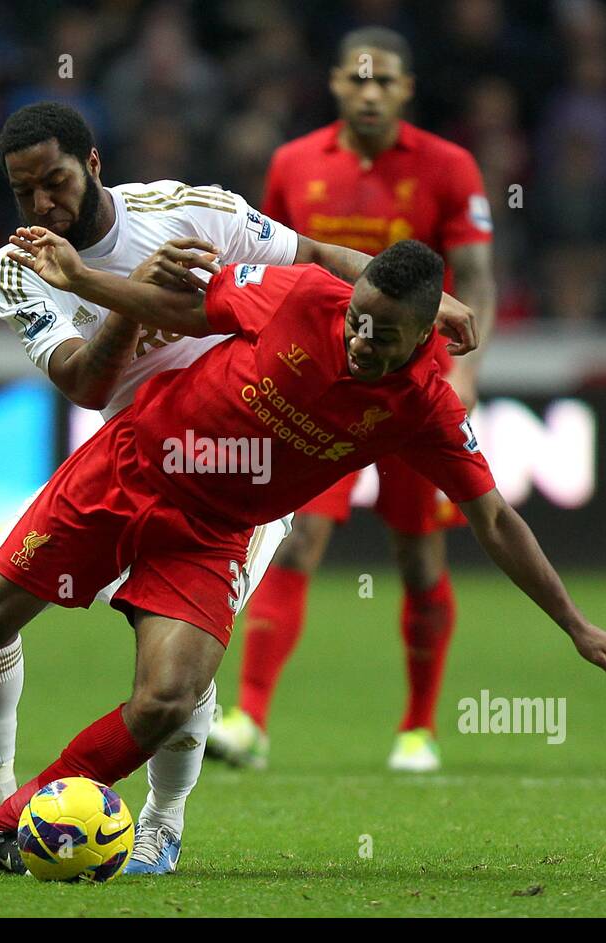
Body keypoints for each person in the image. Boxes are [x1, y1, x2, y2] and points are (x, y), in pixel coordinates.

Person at [0, 223, 606, 875]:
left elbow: (495, 520)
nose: (360, 340)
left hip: (213, 532)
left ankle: (6, 826)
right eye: (358, 319)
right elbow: (179, 307)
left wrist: (573, 621)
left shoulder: (424, 406)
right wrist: (82, 282)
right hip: (133, 464)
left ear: (426, 338)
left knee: (168, 698)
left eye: (384, 336)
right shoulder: (305, 294)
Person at [0, 101, 480, 875]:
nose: (44, 204)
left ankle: (160, 822)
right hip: (134, 452)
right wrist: (116, 290)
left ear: (93, 164)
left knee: (175, 679)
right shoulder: (14, 264)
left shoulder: (193, 210)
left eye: (55, 181)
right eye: (25, 193)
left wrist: (431, 300)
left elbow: (315, 253)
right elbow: (85, 382)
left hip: (245, 472)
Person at [209, 26, 499, 773]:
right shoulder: (292, 163)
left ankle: (418, 727)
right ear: (335, 83)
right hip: (322, 381)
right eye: (356, 80)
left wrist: (466, 373)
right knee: (298, 537)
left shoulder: (449, 166)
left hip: (412, 389)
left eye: (385, 81)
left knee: (417, 553)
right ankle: (249, 719)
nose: (369, 93)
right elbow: (269, 259)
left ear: (405, 89)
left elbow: (478, 274)